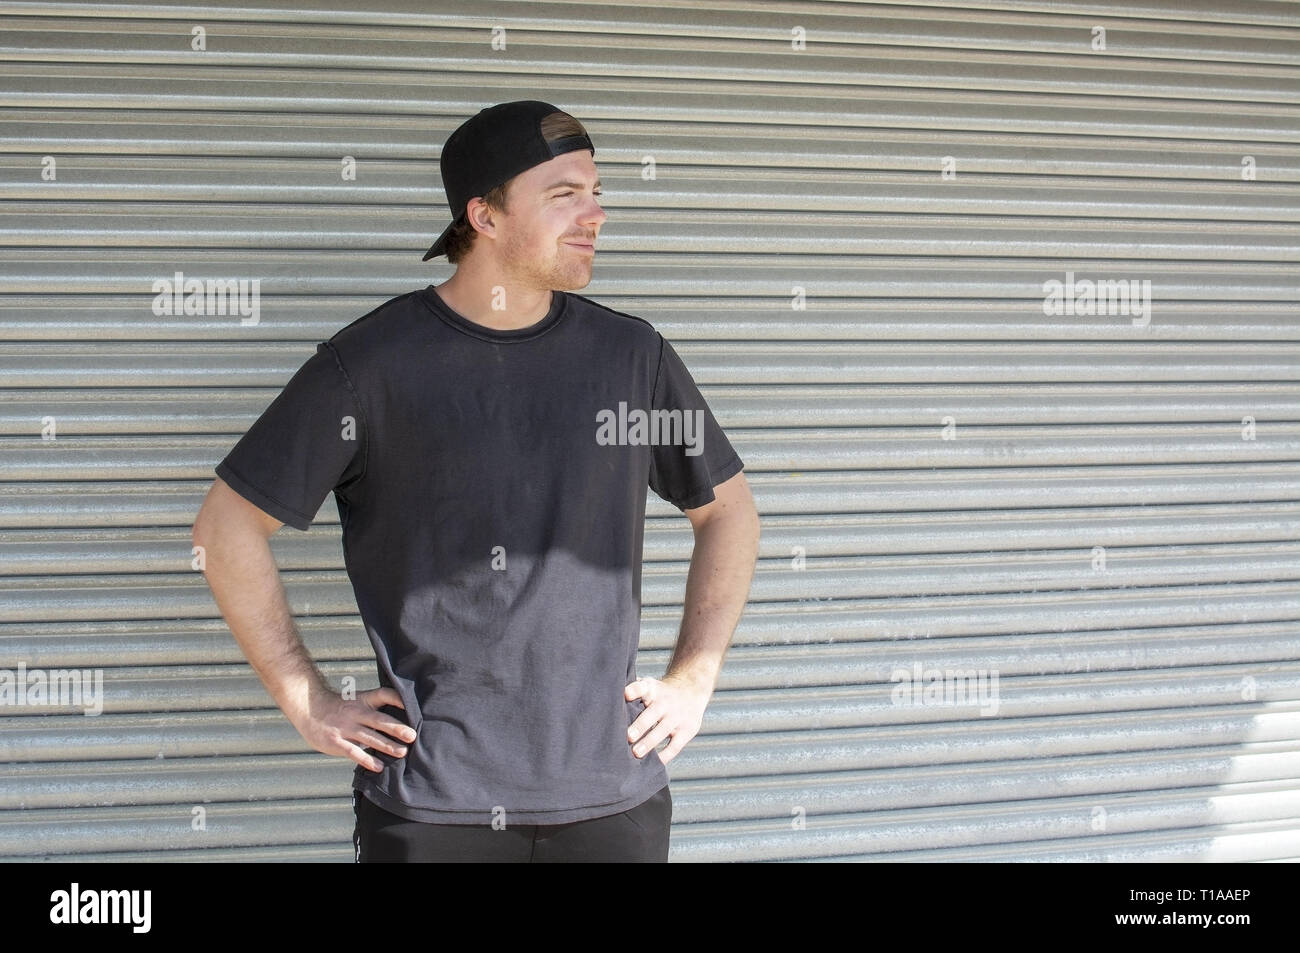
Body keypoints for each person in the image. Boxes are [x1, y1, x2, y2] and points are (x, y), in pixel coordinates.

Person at [192, 100, 760, 863]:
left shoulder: (631, 360)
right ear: (484, 216)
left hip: (611, 798)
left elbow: (728, 513)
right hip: (434, 809)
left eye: (596, 192)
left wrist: (694, 676)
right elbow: (227, 528)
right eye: (564, 195)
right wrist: (308, 700)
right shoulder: (370, 369)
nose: (595, 214)